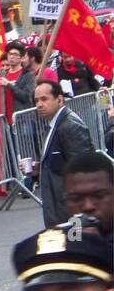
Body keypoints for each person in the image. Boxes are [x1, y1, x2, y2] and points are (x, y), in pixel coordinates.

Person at [10, 153, 114, 291]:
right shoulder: (65, 244)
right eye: (76, 199)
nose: (88, 206)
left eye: (98, 196)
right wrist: (70, 250)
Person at [33, 81, 93, 227]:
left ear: (59, 100)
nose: (39, 105)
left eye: (44, 99)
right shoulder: (54, 124)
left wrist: (78, 213)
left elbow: (83, 171)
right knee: (65, 248)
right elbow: (60, 163)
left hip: (71, 212)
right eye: (36, 101)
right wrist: (39, 168)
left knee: (76, 246)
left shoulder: (70, 125)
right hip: (60, 210)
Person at [0, 42, 35, 112]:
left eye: (15, 54)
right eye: (9, 54)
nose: (11, 57)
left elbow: (26, 97)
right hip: (5, 118)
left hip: (22, 118)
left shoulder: (28, 75)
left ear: (22, 58)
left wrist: (9, 85)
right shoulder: (2, 74)